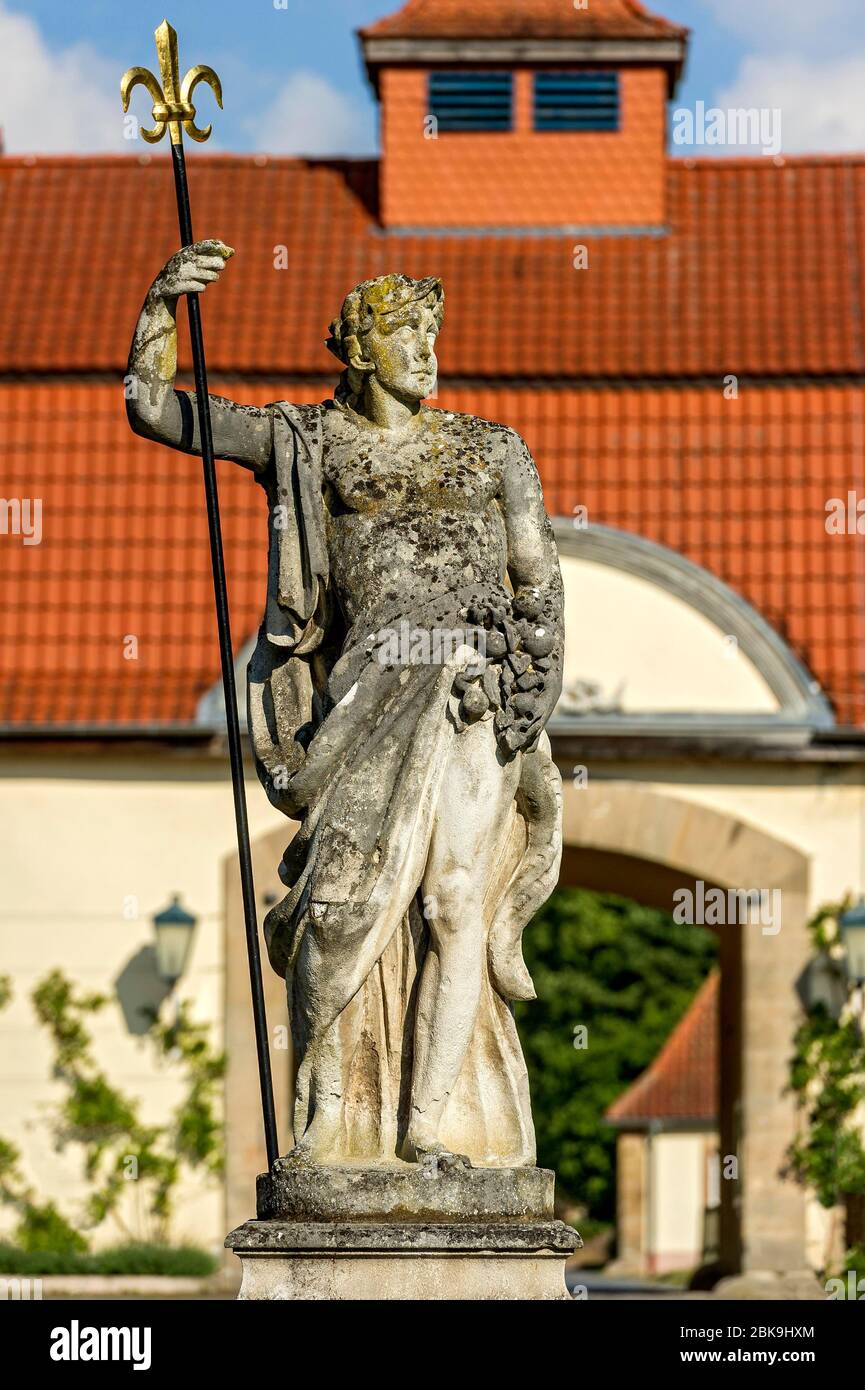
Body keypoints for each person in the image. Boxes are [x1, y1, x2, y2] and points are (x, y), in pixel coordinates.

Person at [127, 240, 565, 1169]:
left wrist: (527, 694)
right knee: (341, 909)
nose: (428, 349)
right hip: (362, 703)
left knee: (456, 911)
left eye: (433, 331)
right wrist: (161, 312)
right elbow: (159, 412)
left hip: (471, 698)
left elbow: (538, 582)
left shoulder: (492, 448)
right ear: (362, 350)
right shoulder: (307, 442)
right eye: (408, 333)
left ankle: (424, 1128)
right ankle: (328, 1116)